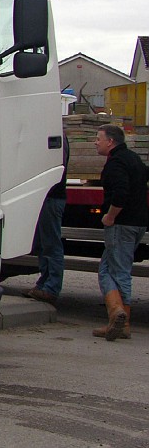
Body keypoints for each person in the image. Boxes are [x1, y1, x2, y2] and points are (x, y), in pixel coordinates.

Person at [92, 124, 148, 341]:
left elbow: (121, 193)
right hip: (138, 223)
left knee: (119, 271)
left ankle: (122, 319)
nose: (96, 142)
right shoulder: (133, 158)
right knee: (106, 269)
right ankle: (115, 313)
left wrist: (110, 216)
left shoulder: (115, 164)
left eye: (99, 138)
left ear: (111, 141)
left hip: (121, 224)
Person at [25, 134, 69, 303]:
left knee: (51, 244)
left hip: (51, 197)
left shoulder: (57, 139)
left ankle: (51, 287)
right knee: (43, 245)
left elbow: (56, 167)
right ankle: (43, 284)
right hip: (44, 197)